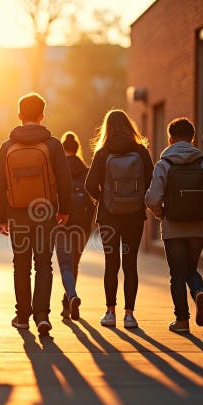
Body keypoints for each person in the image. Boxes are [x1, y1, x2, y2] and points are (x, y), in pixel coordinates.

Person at [0, 93, 72, 334]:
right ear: (42, 115)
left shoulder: (7, 146)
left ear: (19, 116)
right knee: (43, 264)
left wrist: (1, 216)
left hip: (17, 213)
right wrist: (64, 210)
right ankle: (42, 316)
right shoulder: (53, 145)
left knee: (20, 265)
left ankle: (21, 316)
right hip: (44, 213)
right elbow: (64, 180)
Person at [145, 117, 203, 333]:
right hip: (198, 228)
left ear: (170, 139)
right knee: (190, 268)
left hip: (173, 228)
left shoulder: (163, 165)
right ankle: (199, 292)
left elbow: (152, 199)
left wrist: (163, 215)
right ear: (193, 138)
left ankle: (182, 321)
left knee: (177, 275)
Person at [85, 109, 154, 329]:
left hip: (109, 218)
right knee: (130, 264)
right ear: (129, 126)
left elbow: (88, 185)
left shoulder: (103, 153)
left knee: (111, 264)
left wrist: (104, 200)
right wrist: (139, 201)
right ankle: (130, 315)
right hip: (134, 217)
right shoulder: (141, 152)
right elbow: (152, 182)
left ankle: (110, 312)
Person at [54, 131, 95, 321]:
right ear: (78, 148)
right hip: (83, 223)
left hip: (61, 221)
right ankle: (67, 305)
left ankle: (71, 297)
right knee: (74, 263)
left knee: (65, 264)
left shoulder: (57, 169)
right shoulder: (86, 170)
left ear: (62, 149)